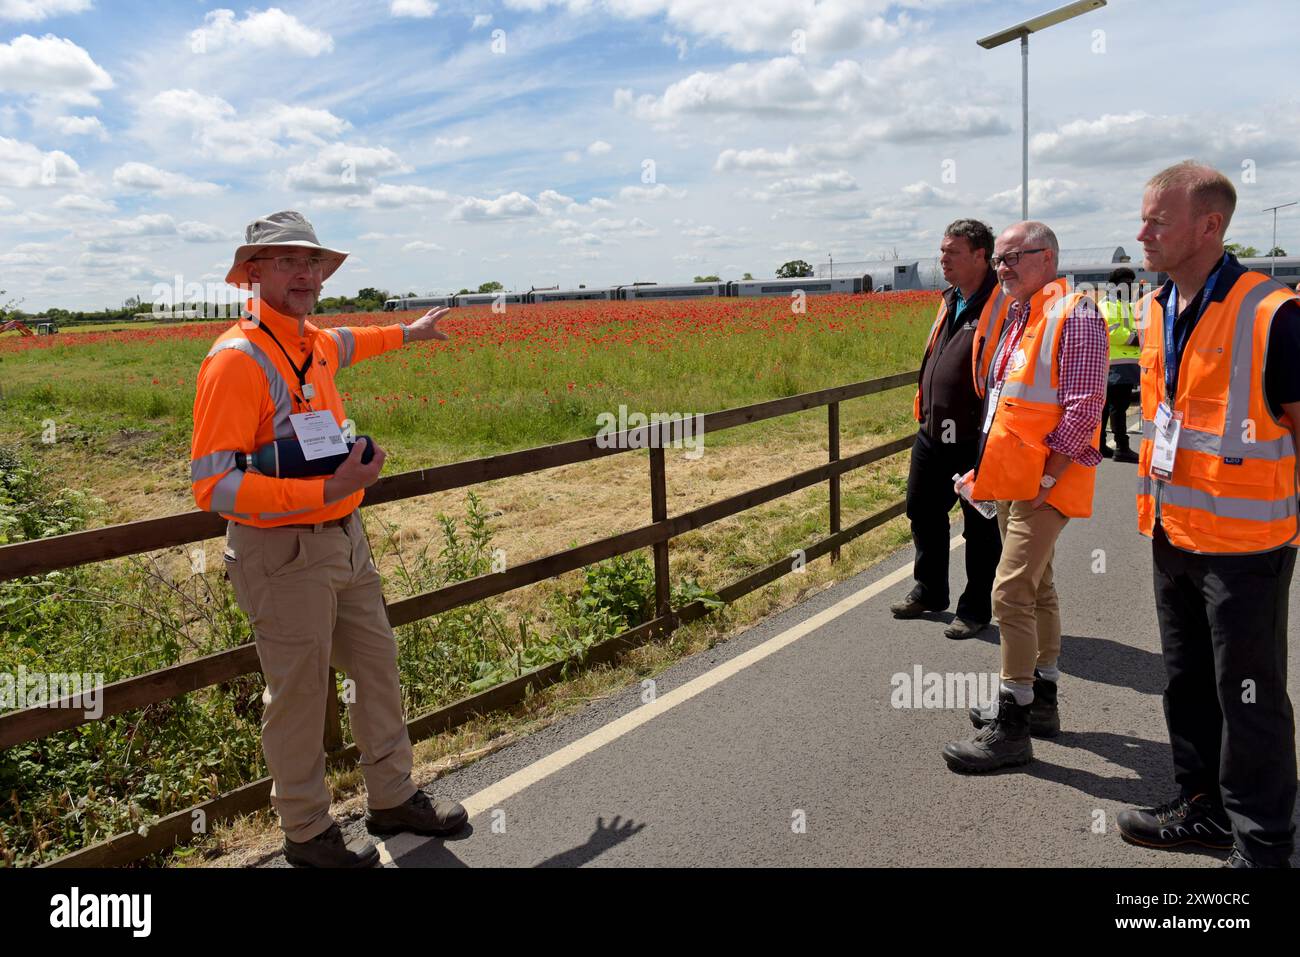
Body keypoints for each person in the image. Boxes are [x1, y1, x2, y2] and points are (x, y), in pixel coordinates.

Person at [191, 211, 466, 868]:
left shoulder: (312, 342)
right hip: (280, 553)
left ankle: (392, 795)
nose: (305, 274)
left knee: (377, 666)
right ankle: (308, 832)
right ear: (252, 274)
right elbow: (213, 486)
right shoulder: (236, 360)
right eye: (287, 261)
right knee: (300, 695)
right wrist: (320, 490)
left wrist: (410, 332)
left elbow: (352, 340)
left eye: (311, 263)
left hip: (345, 538)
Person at [1118, 162, 1300, 868]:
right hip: (1173, 532)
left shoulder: (1272, 313)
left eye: (1157, 221)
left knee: (1249, 696)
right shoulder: (1158, 307)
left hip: (1247, 544)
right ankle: (1203, 810)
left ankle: (1264, 845)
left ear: (1209, 226)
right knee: (1187, 681)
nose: (1142, 233)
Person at [941, 221, 1108, 773]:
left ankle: (1011, 725)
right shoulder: (1019, 314)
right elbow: (1006, 408)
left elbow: (1085, 410)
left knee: (1009, 591)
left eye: (1017, 257)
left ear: (1049, 258)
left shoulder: (1074, 313)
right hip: (1014, 479)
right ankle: (1043, 702)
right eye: (1003, 259)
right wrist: (985, 471)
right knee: (1039, 588)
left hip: (1044, 483)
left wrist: (1045, 479)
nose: (1005, 267)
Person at [890, 220, 1011, 640]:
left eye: (952, 252)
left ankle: (976, 606)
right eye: (941, 252)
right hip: (932, 431)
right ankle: (930, 589)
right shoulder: (950, 300)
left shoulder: (1004, 304)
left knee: (979, 526)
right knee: (922, 510)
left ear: (981, 255)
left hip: (977, 437)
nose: (942, 260)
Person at [1098, 266, 1141, 463]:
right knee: (1118, 406)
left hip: (1123, 363)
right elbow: (1113, 331)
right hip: (1117, 363)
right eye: (1127, 283)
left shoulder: (1124, 305)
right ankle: (1122, 447)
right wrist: (1137, 338)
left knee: (1109, 407)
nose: (1131, 287)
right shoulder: (1110, 305)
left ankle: (1100, 445)